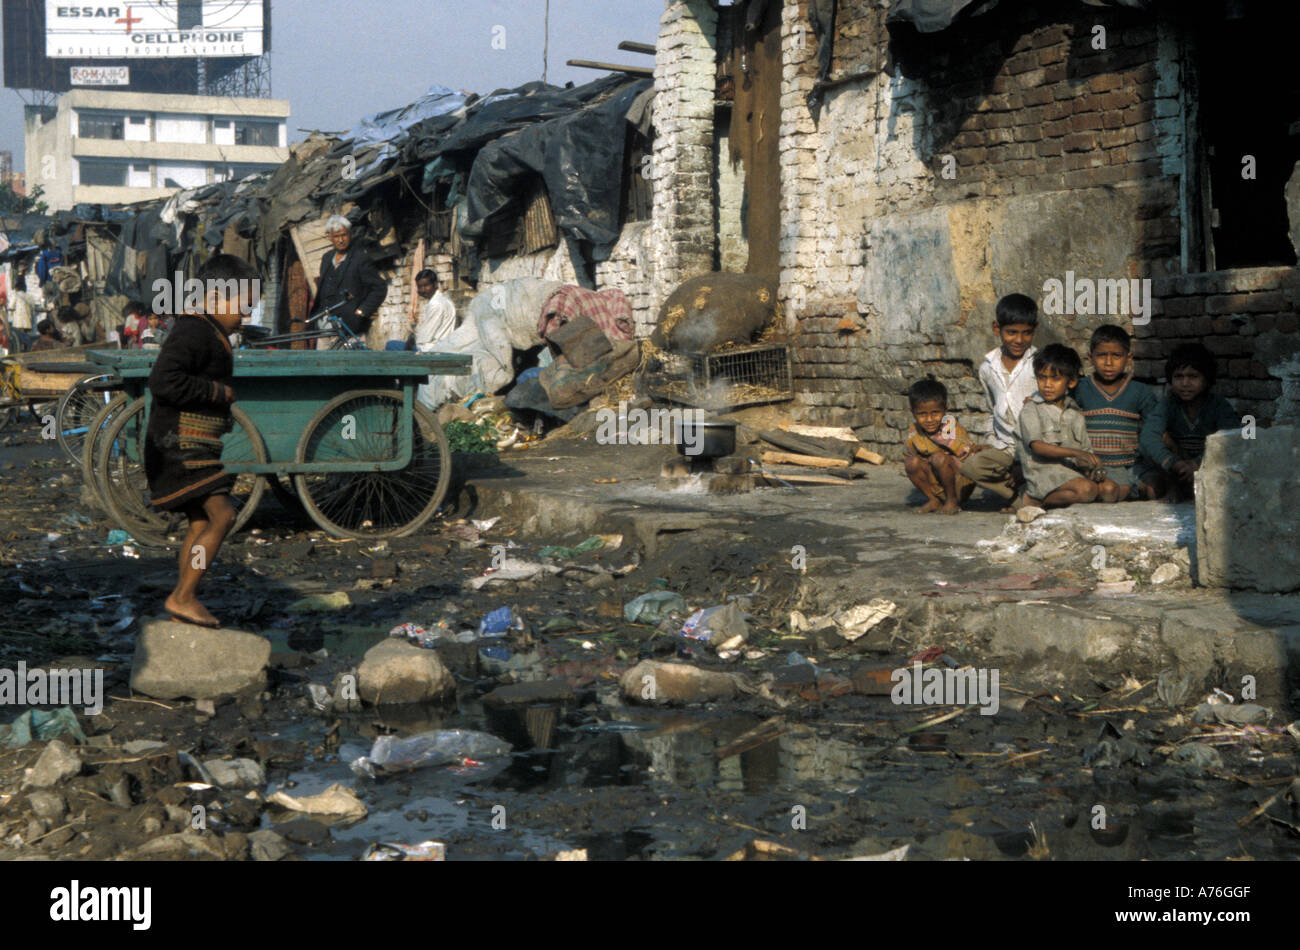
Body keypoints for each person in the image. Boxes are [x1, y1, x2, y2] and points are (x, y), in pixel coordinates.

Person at [144, 254, 258, 628]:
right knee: (222, 515)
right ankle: (183, 595)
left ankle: (183, 601)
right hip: (179, 446)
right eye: (242, 306)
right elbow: (164, 381)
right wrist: (218, 393)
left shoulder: (209, 330)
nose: (246, 316)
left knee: (199, 523)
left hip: (189, 445)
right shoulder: (194, 331)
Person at [960, 293, 1040, 510]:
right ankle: (1017, 500)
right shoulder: (987, 368)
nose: (1019, 340)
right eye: (1011, 332)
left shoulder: (1039, 365)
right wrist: (990, 440)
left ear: (1035, 330)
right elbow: (992, 408)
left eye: (1026, 333)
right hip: (1005, 446)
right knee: (971, 467)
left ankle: (1029, 489)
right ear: (997, 329)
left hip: (1035, 446)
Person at [1017, 344, 1122, 508]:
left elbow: (1084, 452)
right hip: (1044, 473)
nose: (1047, 385)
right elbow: (1037, 447)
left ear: (1071, 382)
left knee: (1111, 489)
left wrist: (1092, 465)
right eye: (1042, 377)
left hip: (1071, 473)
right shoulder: (1031, 409)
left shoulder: (1075, 414)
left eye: (1055, 379)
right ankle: (1035, 499)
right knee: (1086, 490)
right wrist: (1075, 453)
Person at [1139, 343, 1240, 501]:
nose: (1185, 383)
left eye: (1193, 377)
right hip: (1178, 466)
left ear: (1207, 379)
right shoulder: (1168, 405)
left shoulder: (1219, 406)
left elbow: (1230, 440)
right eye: (1179, 377)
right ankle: (1175, 490)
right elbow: (1148, 437)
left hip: (1208, 465)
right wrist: (1173, 462)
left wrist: (1198, 463)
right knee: (1162, 438)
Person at [1072, 324, 1162, 500]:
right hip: (1098, 467)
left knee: (1155, 489)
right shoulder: (1081, 388)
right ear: (1090, 358)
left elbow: (1156, 427)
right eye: (1101, 355)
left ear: (1128, 358)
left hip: (1134, 465)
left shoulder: (1139, 391)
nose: (1108, 362)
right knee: (1112, 492)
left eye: (1116, 356)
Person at [902, 378, 981, 515]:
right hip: (936, 484)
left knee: (938, 458)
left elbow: (967, 459)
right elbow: (910, 457)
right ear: (913, 412)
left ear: (945, 409)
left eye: (935, 413)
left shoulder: (949, 427)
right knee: (911, 463)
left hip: (959, 484)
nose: (929, 420)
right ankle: (934, 500)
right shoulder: (914, 431)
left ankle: (952, 501)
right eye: (922, 414)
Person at [316, 215, 387, 339]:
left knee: (348, 359)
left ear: (351, 234)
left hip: (351, 326)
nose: (341, 240)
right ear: (330, 238)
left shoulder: (360, 259)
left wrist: (362, 311)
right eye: (336, 236)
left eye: (344, 235)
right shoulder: (326, 258)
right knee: (323, 358)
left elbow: (379, 288)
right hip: (326, 324)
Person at [412, 269, 456, 351]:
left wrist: (411, 340)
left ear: (435, 284)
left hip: (432, 348)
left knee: (391, 345)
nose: (423, 290)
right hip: (442, 345)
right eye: (419, 287)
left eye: (426, 285)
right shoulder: (444, 299)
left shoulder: (436, 304)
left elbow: (424, 337)